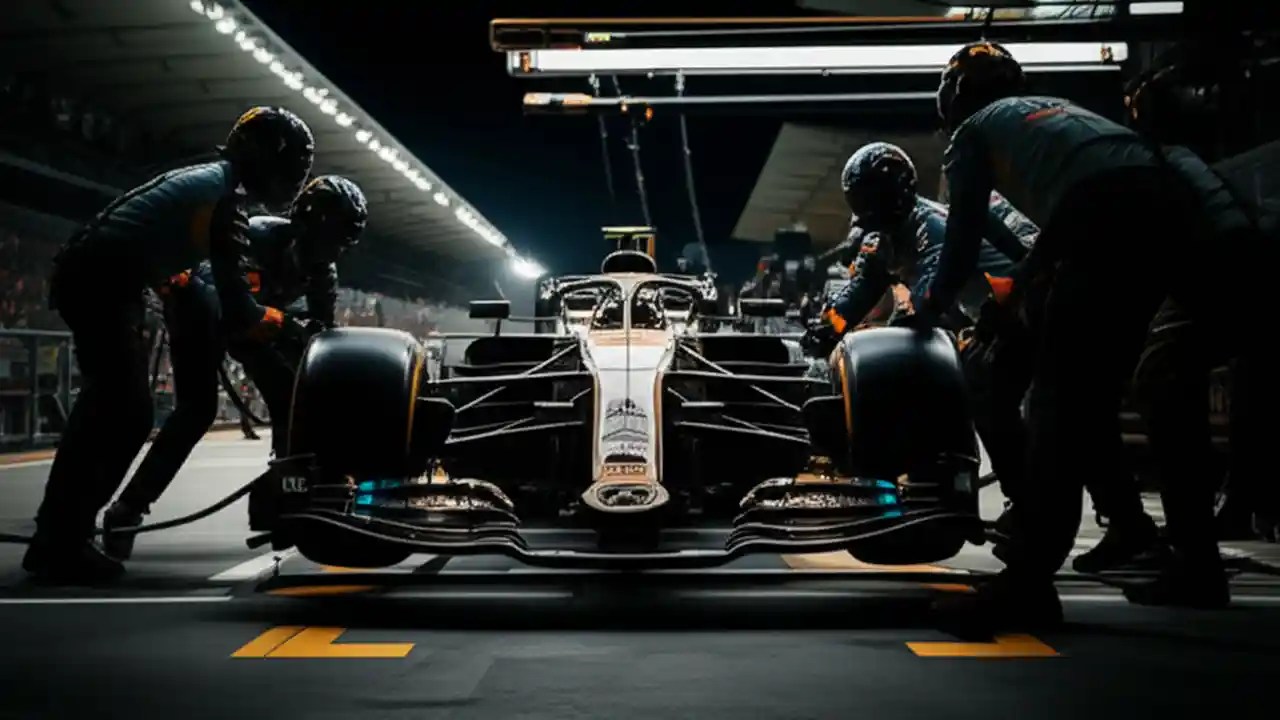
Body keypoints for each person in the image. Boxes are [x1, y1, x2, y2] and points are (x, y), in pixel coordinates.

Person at [922, 41, 1266, 626]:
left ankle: (1030, 582)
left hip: (1108, 217)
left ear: (955, 97)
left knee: (1058, 402)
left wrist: (927, 309)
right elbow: (1066, 225)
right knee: (1156, 384)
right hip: (1170, 212)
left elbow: (964, 241)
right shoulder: (1062, 115)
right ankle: (1194, 565)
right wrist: (1019, 301)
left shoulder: (975, 132)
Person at [23, 106, 316, 583]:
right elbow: (240, 308)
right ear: (266, 161)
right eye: (291, 168)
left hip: (103, 277)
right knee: (124, 410)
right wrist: (289, 325)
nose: (293, 180)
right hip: (103, 281)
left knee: (117, 409)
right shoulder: (225, 202)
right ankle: (59, 540)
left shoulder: (219, 184)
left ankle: (59, 535)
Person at [100, 175, 367, 560]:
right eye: (327, 240)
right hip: (200, 311)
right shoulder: (255, 238)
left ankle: (286, 490)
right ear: (303, 225)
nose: (330, 252)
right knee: (196, 411)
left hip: (253, 324)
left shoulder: (323, 271)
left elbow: (321, 336)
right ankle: (127, 510)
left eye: (340, 243)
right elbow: (219, 301)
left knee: (290, 396)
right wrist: (289, 327)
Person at [799, 142, 1036, 512]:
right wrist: (826, 329)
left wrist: (898, 325)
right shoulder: (884, 238)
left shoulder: (932, 225)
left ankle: (1026, 502)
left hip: (1031, 314)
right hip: (998, 320)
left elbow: (929, 297)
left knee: (997, 399)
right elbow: (860, 291)